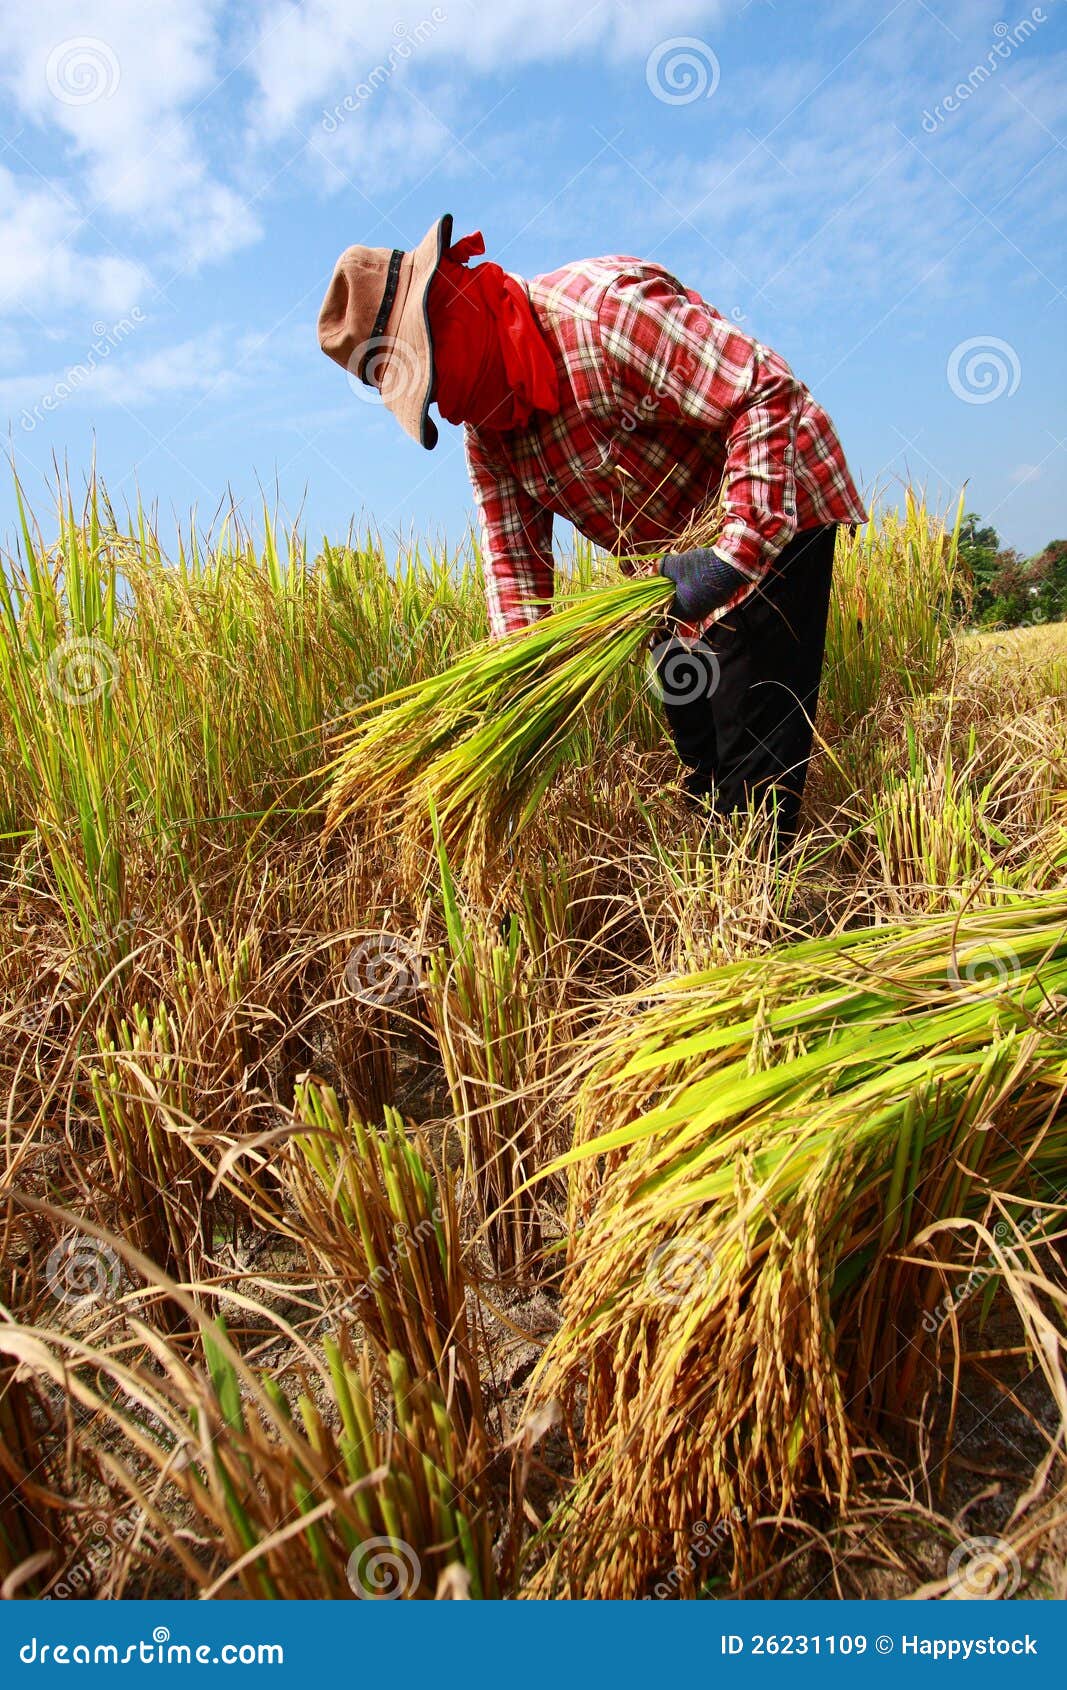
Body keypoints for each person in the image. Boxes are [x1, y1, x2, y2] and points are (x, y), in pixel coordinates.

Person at [317, 213, 866, 843]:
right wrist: (517, 686)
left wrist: (729, 558)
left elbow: (766, 394)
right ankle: (720, 871)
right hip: (668, 572)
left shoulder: (604, 317)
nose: (443, 402)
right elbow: (514, 571)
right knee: (697, 746)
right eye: (427, 393)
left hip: (772, 504)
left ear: (449, 309)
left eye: (431, 373)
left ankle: (764, 885)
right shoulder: (489, 437)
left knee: (751, 763)